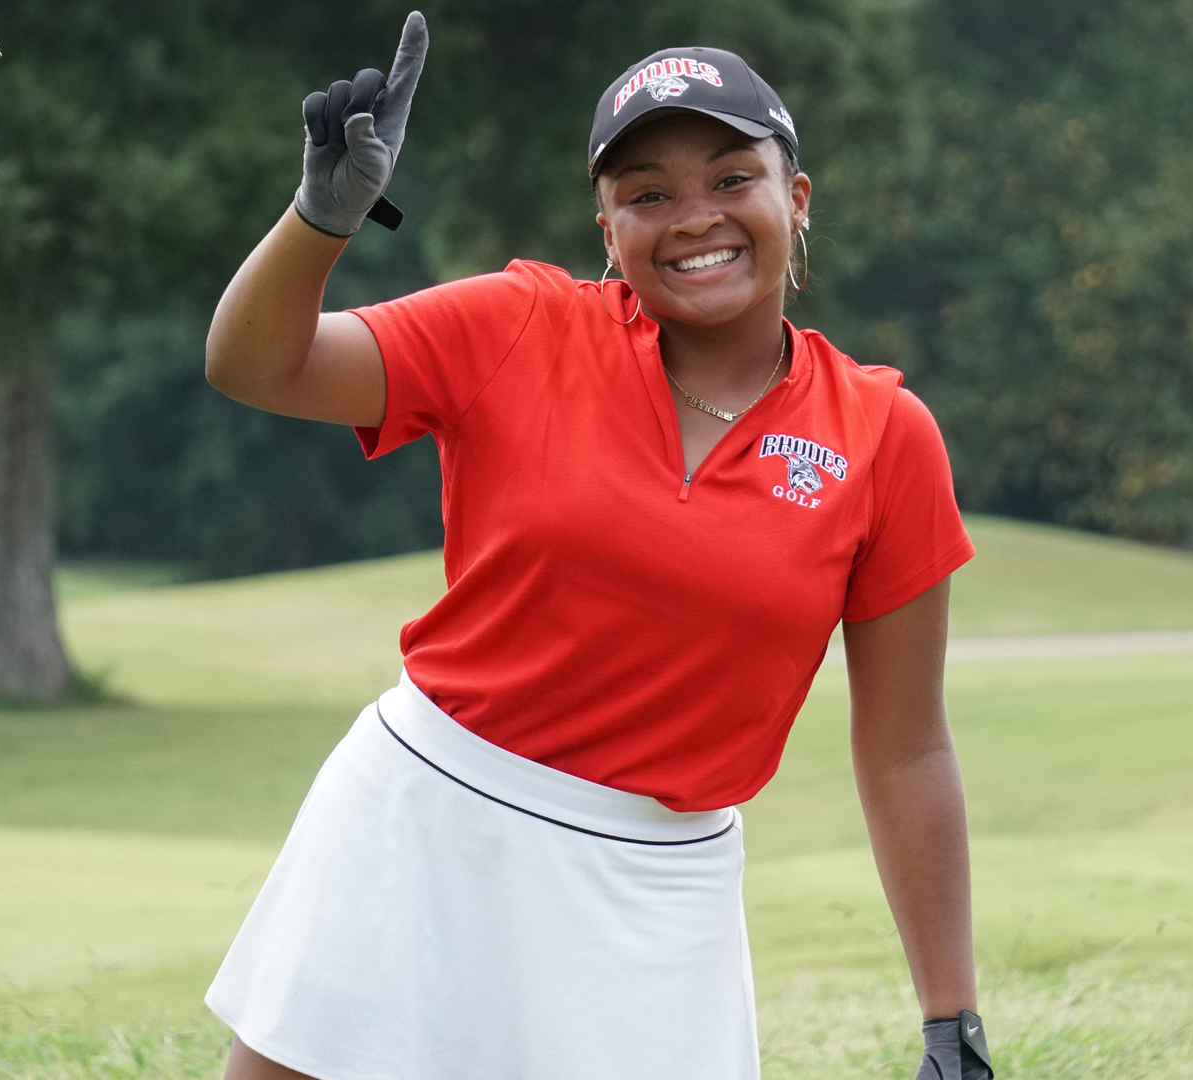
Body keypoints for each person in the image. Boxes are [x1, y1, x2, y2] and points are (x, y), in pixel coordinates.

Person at [201, 12, 993, 1080]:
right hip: (425, 824)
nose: (693, 218)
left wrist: (951, 1018)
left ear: (795, 199)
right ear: (606, 226)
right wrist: (320, 219)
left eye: (729, 178)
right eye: (647, 193)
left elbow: (906, 749)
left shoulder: (884, 437)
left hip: (658, 891)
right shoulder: (520, 323)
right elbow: (258, 365)